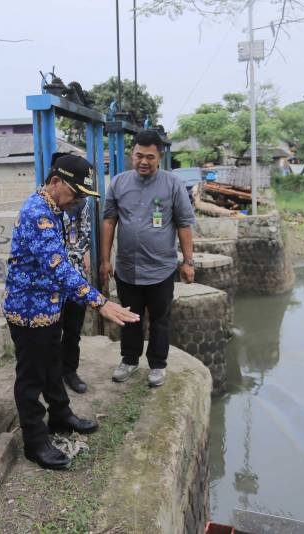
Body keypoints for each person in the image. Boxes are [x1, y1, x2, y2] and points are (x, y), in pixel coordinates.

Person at [3, 153, 139, 470]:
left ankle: (61, 417)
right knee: (31, 377)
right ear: (55, 182)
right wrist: (100, 302)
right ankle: (35, 441)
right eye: (75, 193)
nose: (76, 201)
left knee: (53, 365)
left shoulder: (54, 208)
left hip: (49, 307)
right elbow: (59, 269)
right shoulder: (39, 214)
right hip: (28, 311)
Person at [100, 129, 196, 388]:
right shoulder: (119, 182)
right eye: (139, 156)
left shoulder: (172, 184)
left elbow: (185, 223)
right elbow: (109, 221)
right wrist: (105, 259)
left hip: (161, 268)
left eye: (150, 157)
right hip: (127, 268)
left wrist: (188, 262)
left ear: (159, 158)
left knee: (160, 319)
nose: (143, 161)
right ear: (132, 154)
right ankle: (129, 360)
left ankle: (157, 365)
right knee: (129, 317)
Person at [60, 194, 92, 394]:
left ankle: (70, 371)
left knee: (73, 329)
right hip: (51, 278)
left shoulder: (82, 201)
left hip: (76, 273)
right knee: (51, 331)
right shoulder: (42, 203)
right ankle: (51, 372)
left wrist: (80, 254)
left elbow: (85, 231)